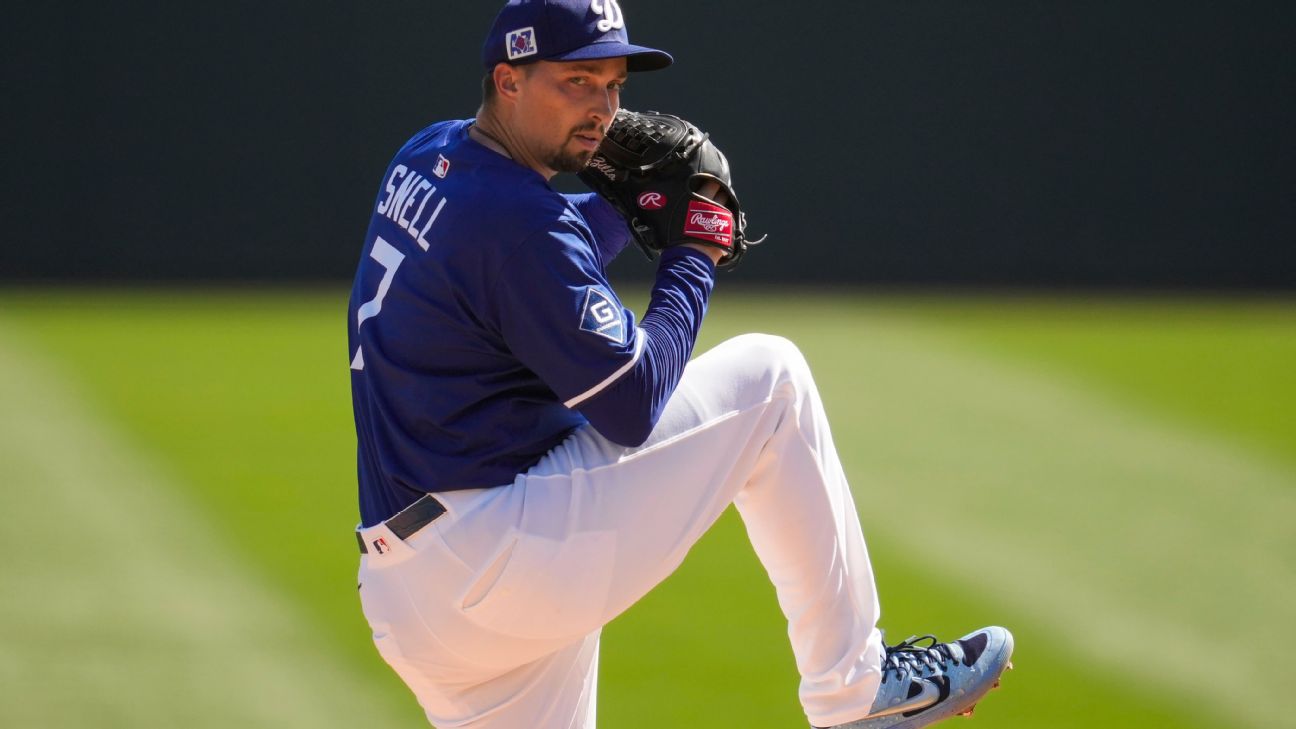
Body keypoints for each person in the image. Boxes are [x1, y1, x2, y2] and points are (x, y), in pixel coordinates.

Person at [347, 2, 1014, 728]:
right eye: (577, 81)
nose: (603, 107)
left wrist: (628, 211)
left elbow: (521, 270)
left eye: (613, 83)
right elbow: (631, 404)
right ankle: (853, 688)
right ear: (508, 80)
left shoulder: (429, 153)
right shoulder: (520, 225)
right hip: (500, 556)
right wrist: (692, 251)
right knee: (772, 380)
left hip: (411, 593)